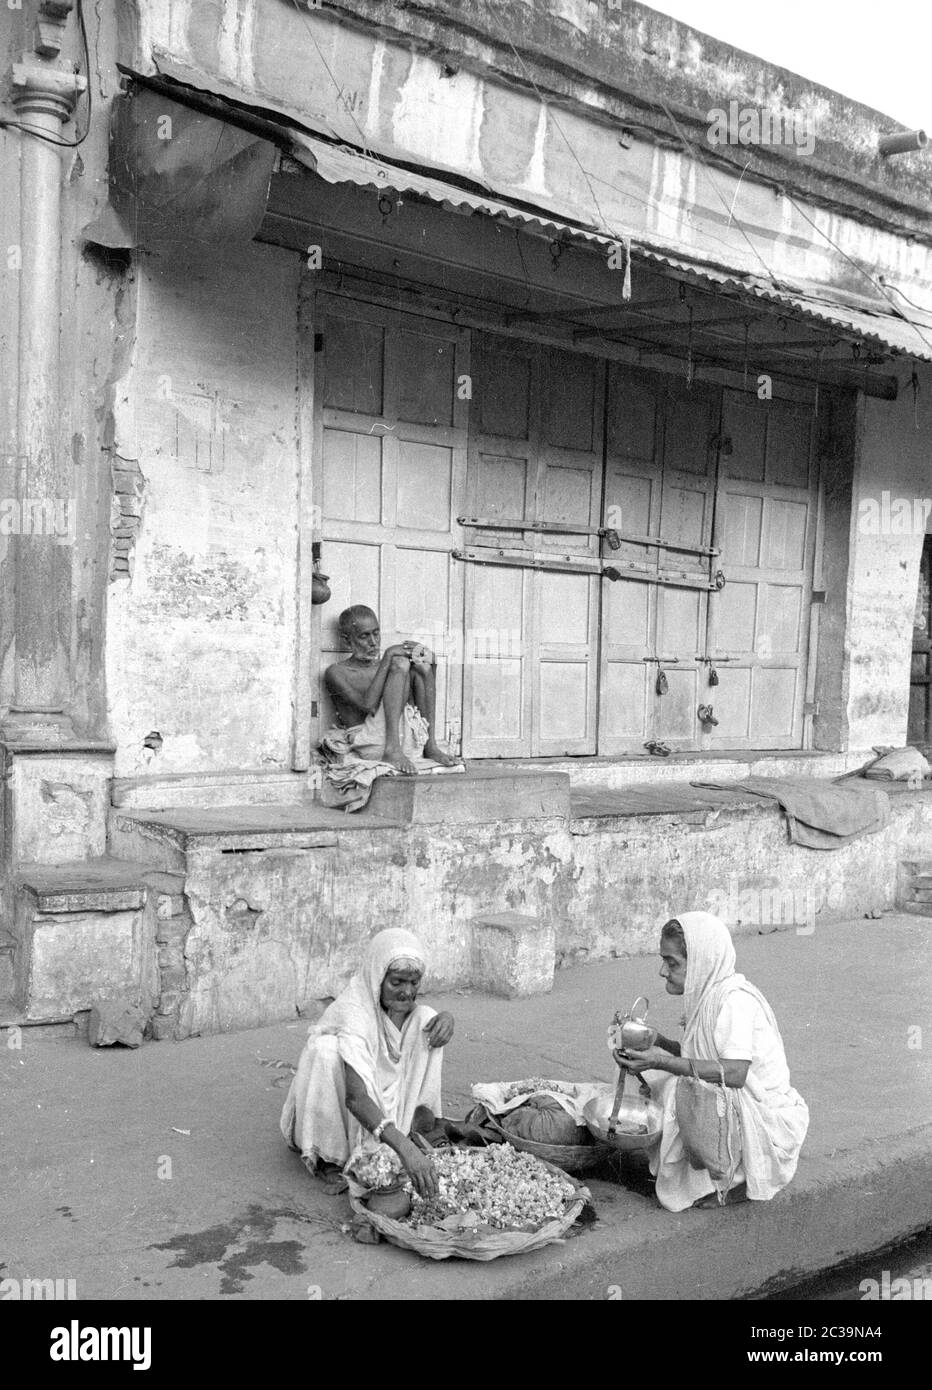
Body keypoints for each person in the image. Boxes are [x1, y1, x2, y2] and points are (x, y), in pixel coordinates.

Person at [615, 911, 809, 1212]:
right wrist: (660, 1043)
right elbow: (704, 1059)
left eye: (672, 962)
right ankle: (710, 1172)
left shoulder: (732, 1001)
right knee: (666, 1084)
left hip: (762, 1119)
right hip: (735, 1100)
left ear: (701, 963)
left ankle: (736, 1178)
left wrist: (659, 1061)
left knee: (674, 1089)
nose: (662, 972)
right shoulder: (709, 994)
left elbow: (734, 1074)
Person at [280, 928, 454, 1197]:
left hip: (382, 1101)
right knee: (325, 1050)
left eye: (414, 982)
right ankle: (331, 1156)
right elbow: (356, 1098)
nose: (407, 992)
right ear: (377, 977)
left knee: (428, 1019)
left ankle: (416, 1126)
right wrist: (405, 1150)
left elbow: (422, 1020)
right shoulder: (355, 1012)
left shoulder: (406, 1009)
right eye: (397, 983)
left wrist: (446, 1018)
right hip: (348, 1098)